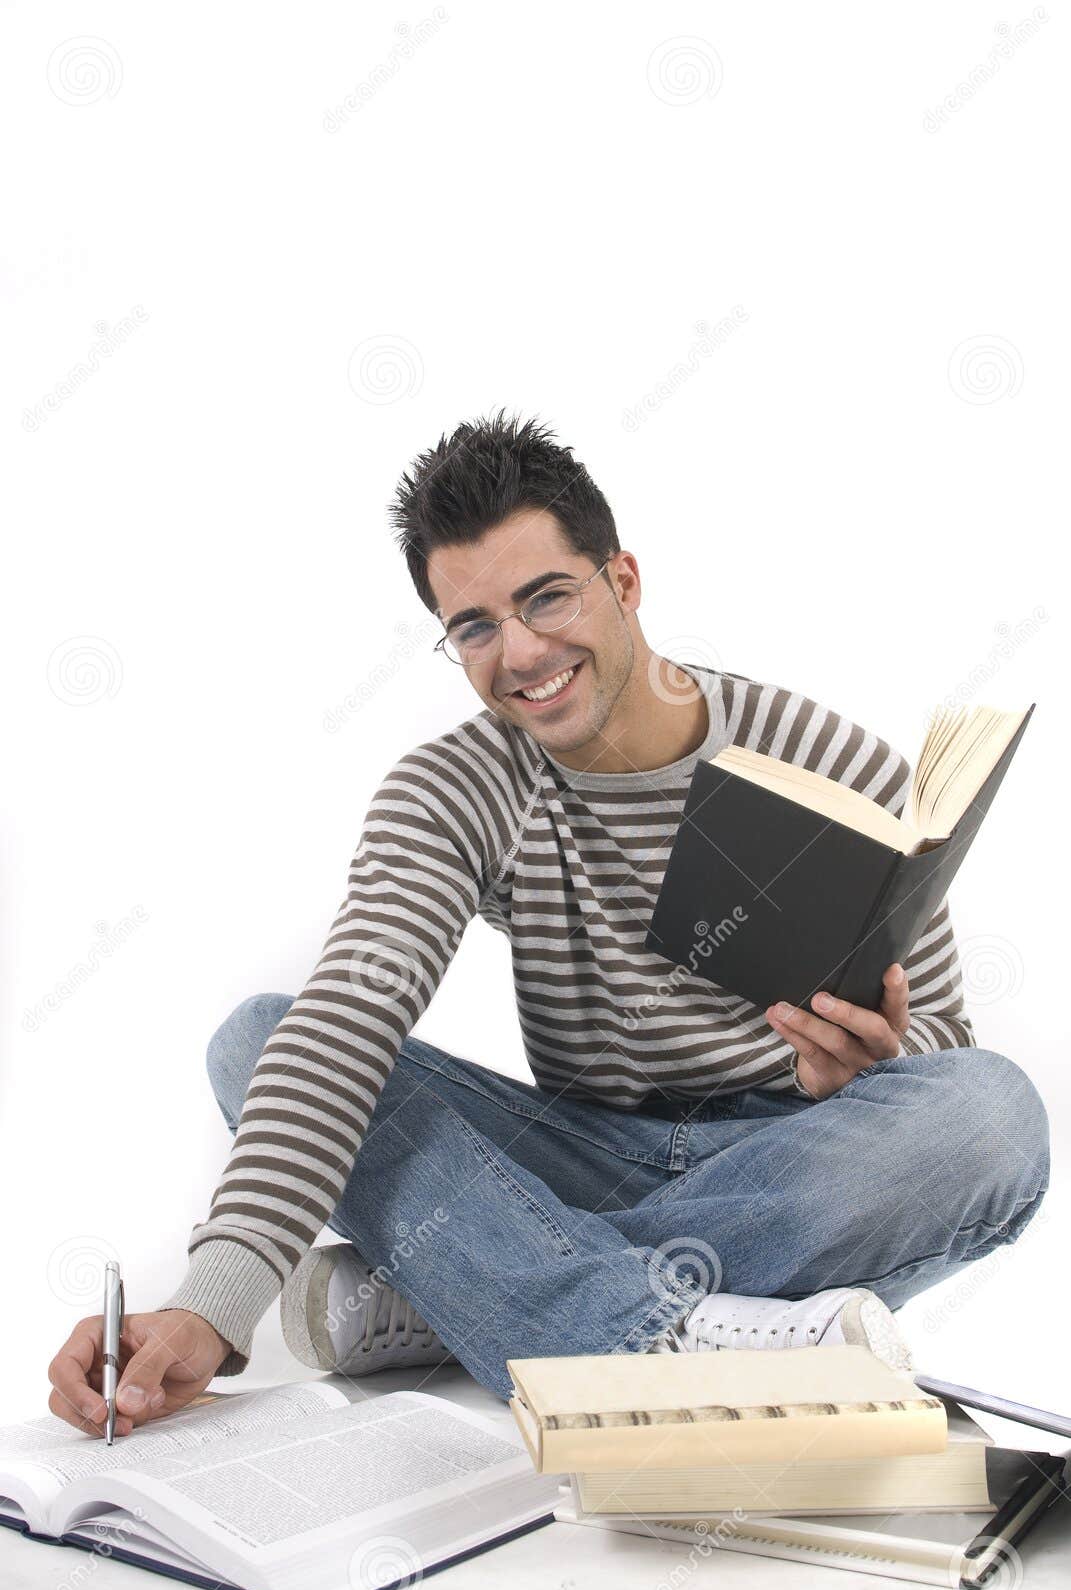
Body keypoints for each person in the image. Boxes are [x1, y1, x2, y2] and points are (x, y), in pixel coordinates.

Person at [47, 411, 1049, 1437]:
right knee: (259, 1038)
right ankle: (622, 1331)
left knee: (991, 1113)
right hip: (576, 1151)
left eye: (546, 597)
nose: (520, 652)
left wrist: (865, 1064)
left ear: (623, 581)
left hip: (794, 1155)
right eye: (474, 627)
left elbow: (944, 1045)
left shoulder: (823, 756)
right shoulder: (459, 787)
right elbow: (350, 1011)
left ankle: (470, 1290)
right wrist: (210, 1304)